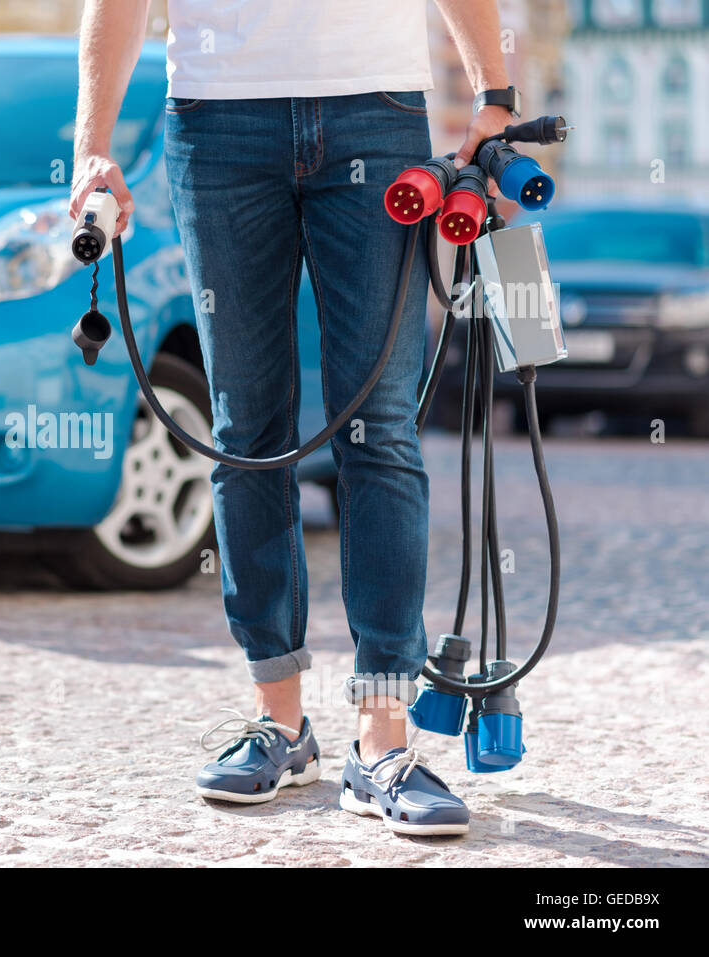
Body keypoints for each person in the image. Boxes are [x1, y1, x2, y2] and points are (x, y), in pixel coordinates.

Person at [71, 0, 519, 837]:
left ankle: (382, 740)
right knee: (247, 434)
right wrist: (91, 141)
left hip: (374, 111)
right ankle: (278, 722)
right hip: (218, 120)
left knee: (378, 426)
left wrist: (495, 89)